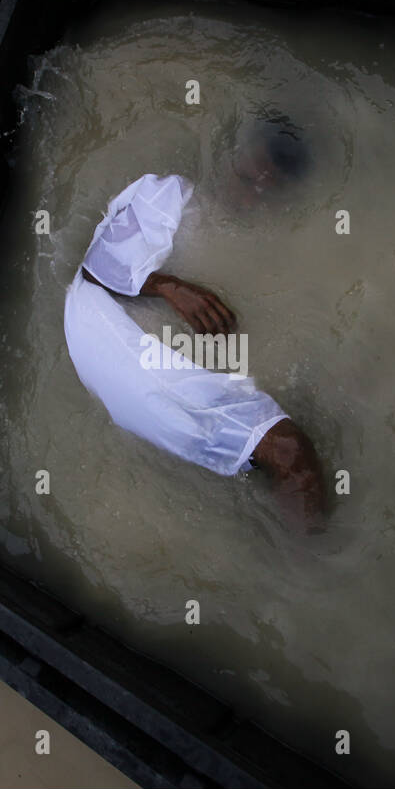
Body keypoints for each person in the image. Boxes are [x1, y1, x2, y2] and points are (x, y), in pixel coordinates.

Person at [62, 124, 325, 532]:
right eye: (244, 179)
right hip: (101, 326)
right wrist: (170, 287)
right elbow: (96, 268)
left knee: (278, 425)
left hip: (114, 363)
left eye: (262, 191)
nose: (248, 194)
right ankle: (317, 574)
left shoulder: (248, 241)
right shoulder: (170, 193)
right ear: (225, 158)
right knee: (292, 454)